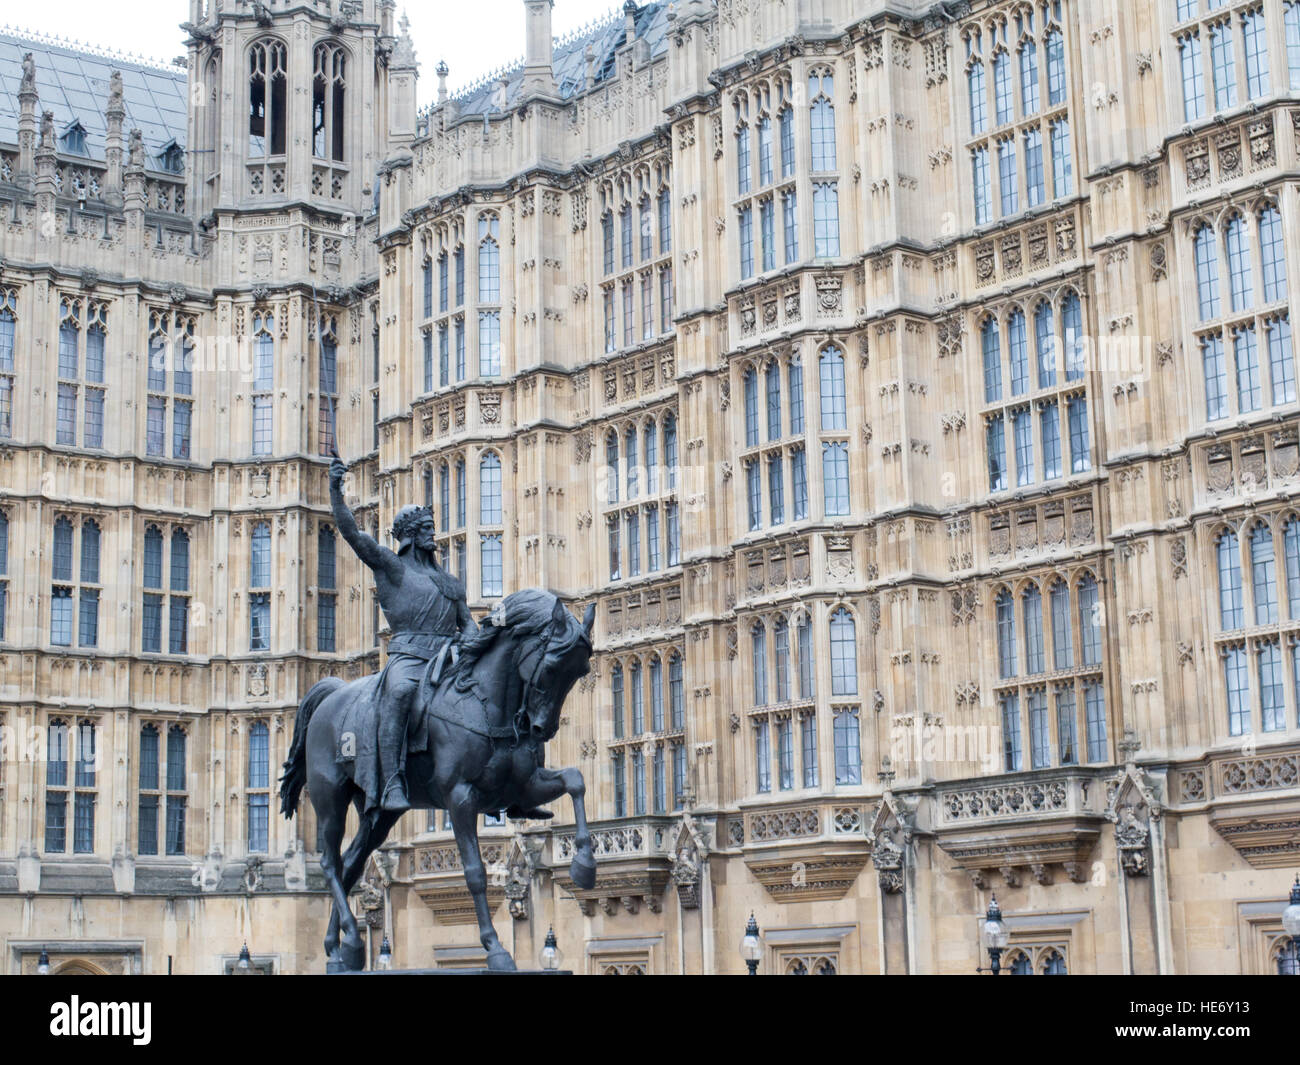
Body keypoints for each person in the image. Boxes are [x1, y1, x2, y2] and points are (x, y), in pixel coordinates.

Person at [329, 454, 475, 811]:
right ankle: (392, 780)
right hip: (408, 658)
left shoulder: (448, 581)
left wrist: (473, 640)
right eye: (426, 528)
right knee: (399, 693)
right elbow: (352, 534)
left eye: (431, 527)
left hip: (448, 658)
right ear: (410, 535)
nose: (433, 533)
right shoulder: (393, 568)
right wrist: (336, 490)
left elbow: (466, 622)